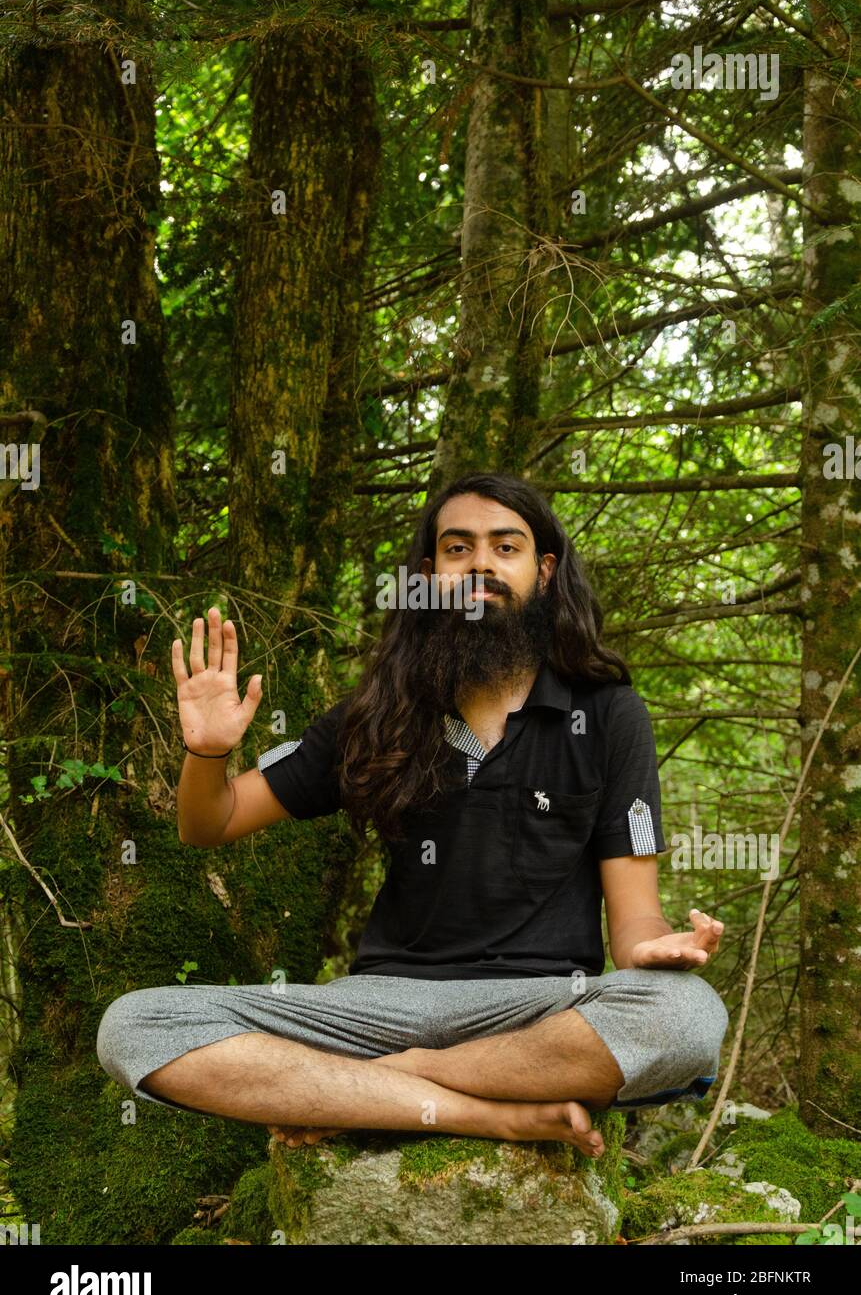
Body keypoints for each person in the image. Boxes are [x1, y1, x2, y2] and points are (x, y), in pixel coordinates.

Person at [97, 473, 729, 1159]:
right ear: (429, 575)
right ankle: (492, 1116)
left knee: (686, 1017)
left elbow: (634, 913)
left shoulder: (607, 713)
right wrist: (207, 752)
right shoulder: (374, 716)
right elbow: (207, 824)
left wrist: (650, 950)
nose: (480, 563)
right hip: (380, 1006)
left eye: (504, 547)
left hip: (541, 1006)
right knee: (136, 1026)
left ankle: (378, 1090)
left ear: (543, 572)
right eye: (458, 549)